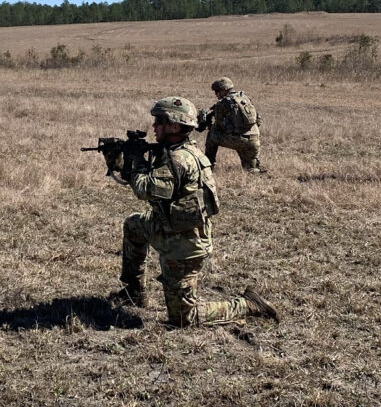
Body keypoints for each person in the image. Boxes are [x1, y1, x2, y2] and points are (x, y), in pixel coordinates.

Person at [108, 96, 279, 328]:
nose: (154, 126)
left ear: (175, 126)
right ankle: (134, 291)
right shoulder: (180, 149)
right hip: (169, 226)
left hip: (184, 246)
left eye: (159, 121)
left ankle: (248, 304)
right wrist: (122, 164)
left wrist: (135, 162)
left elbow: (144, 189)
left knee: (183, 319)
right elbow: (156, 185)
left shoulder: (178, 159)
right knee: (134, 225)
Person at [197, 77, 265, 173]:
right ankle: (254, 167)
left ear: (224, 90)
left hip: (240, 140)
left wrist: (208, 124)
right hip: (254, 141)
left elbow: (219, 127)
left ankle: (208, 166)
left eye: (217, 91)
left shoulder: (223, 103)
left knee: (212, 135)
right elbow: (258, 121)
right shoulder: (244, 98)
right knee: (249, 169)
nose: (216, 94)